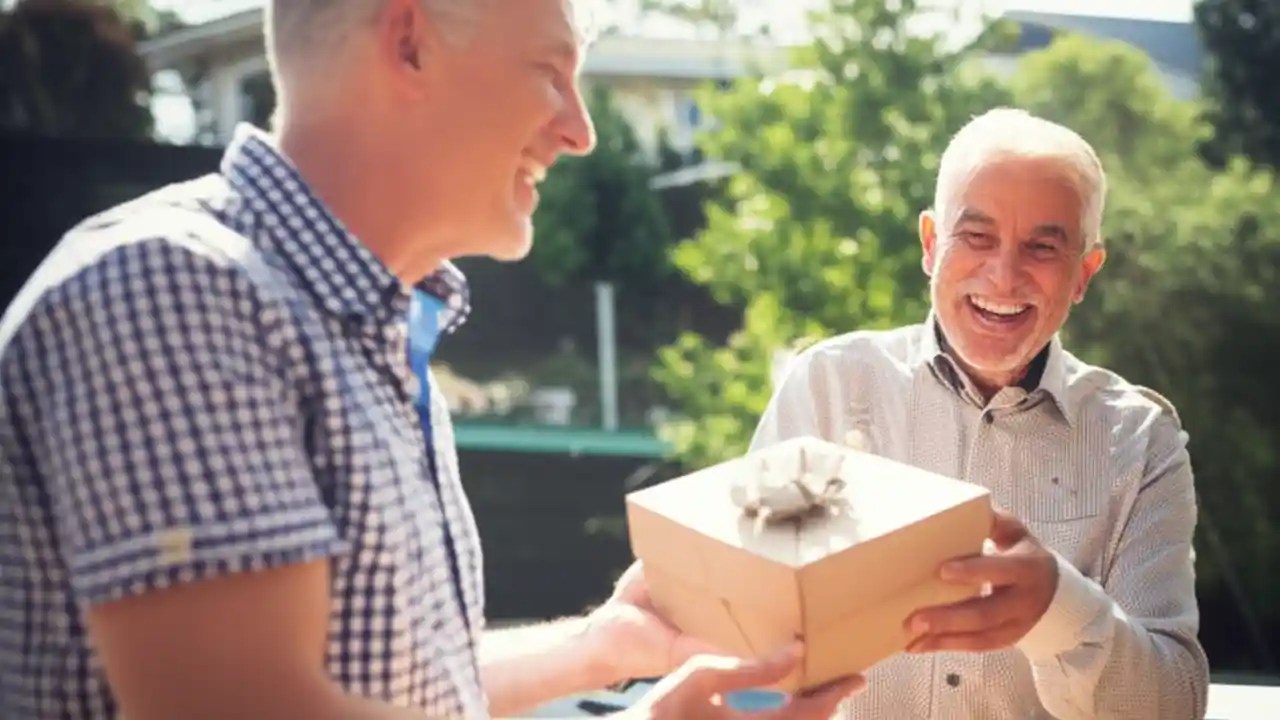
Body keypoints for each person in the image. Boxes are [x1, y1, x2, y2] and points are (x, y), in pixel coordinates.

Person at [0, 1, 863, 718]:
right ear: (409, 43)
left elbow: (374, 688)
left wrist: (599, 649)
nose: (581, 132)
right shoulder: (175, 291)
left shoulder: (360, 327)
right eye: (550, 74)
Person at [749, 108, 1209, 719]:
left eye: (1043, 247)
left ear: (1084, 274)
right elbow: (740, 622)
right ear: (931, 244)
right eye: (977, 236)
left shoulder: (1142, 443)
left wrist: (1060, 610)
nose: (1004, 274)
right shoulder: (830, 387)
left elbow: (1175, 705)